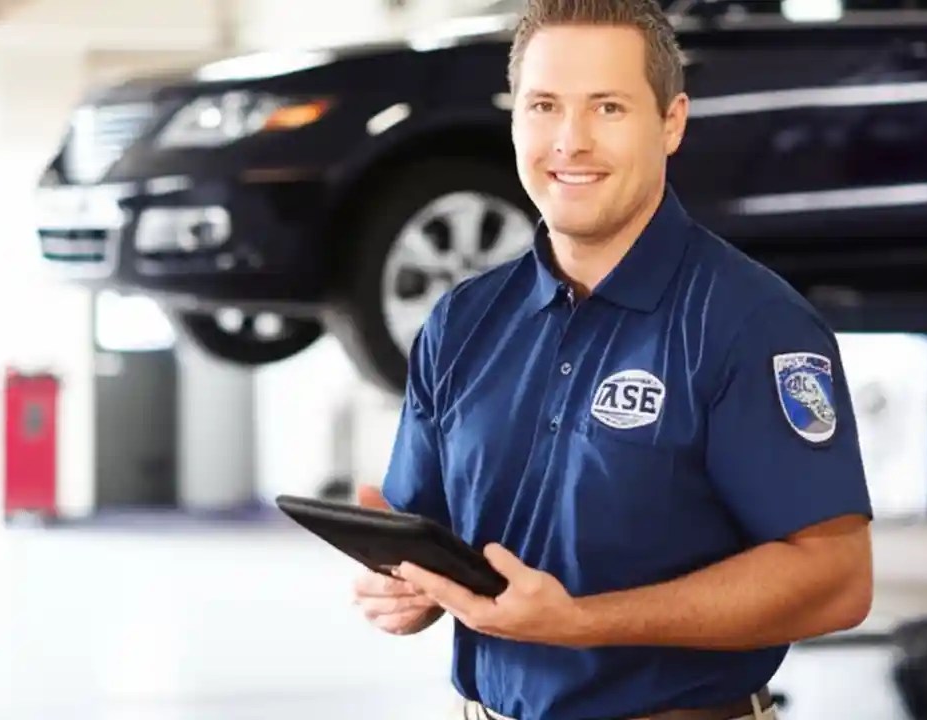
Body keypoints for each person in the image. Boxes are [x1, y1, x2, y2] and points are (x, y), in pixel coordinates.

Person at [350, 1, 875, 719]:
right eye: (543, 106)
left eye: (607, 108)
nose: (570, 141)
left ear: (671, 122)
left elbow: (837, 580)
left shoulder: (752, 324)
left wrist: (584, 623)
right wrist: (406, 590)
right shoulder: (460, 323)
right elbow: (430, 542)